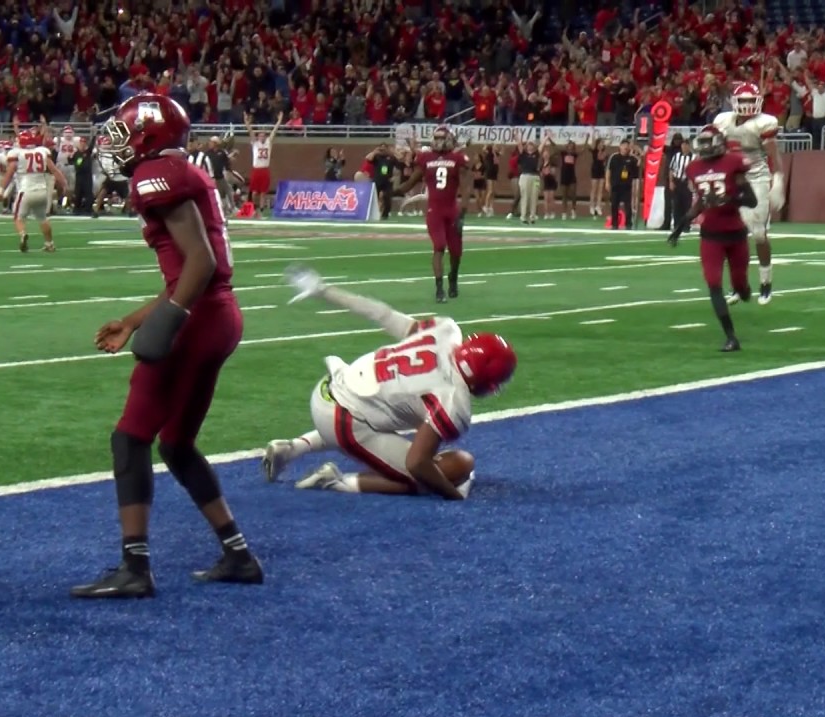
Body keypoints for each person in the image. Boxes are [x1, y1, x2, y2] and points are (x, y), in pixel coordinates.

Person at [70, 94, 262, 600]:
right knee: (175, 443)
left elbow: (198, 263)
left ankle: (135, 567)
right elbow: (189, 271)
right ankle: (239, 554)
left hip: (198, 317)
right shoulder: (179, 170)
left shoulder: (155, 174)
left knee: (130, 438)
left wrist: (167, 323)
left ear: (147, 136)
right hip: (219, 314)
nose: (113, 143)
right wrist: (136, 320)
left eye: (121, 133)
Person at [262, 265, 516, 498]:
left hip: (328, 389)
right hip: (343, 422)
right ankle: (336, 481)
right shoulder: (454, 400)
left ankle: (292, 448)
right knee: (431, 476)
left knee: (374, 409)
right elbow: (417, 463)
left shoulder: (445, 330)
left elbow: (382, 314)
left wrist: (324, 291)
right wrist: (453, 494)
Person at [666, 125, 758, 352]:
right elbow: (701, 201)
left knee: (740, 286)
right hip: (711, 236)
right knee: (714, 284)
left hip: (735, 234)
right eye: (703, 143)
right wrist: (682, 223)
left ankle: (744, 289)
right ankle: (731, 337)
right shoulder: (694, 167)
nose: (705, 147)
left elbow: (751, 200)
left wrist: (729, 200)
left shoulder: (732, 162)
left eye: (709, 142)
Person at [713, 83, 786, 305]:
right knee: (730, 235)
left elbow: (774, 153)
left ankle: (766, 283)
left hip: (757, 179)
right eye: (741, 101)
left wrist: (779, 180)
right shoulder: (723, 121)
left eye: (749, 101)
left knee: (758, 234)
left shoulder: (764, 123)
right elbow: (716, 151)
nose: (745, 105)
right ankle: (738, 284)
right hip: (732, 180)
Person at [396, 126, 474, 304]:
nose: (438, 142)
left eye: (442, 138)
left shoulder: (457, 158)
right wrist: (392, 190)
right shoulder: (425, 158)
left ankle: (452, 278)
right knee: (439, 246)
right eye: (436, 138)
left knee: (456, 252)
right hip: (435, 211)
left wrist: (462, 213)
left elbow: (465, 188)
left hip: (451, 210)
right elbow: (410, 182)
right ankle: (439, 289)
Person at [0, 130, 68, 253]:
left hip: (26, 191)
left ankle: (23, 234)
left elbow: (9, 173)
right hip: (42, 190)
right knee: (42, 218)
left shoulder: (16, 153)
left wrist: (0, 189)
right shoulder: (42, 151)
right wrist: (64, 183)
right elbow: (54, 170)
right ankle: (49, 243)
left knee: (18, 218)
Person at [605, 139, 639, 229]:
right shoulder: (614, 157)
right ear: (620, 147)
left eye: (627, 146)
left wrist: (637, 152)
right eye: (623, 145)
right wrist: (607, 182)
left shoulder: (632, 159)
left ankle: (628, 224)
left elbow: (640, 164)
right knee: (614, 205)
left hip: (627, 186)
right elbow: (608, 170)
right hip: (615, 185)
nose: (625, 147)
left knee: (628, 206)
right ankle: (614, 224)